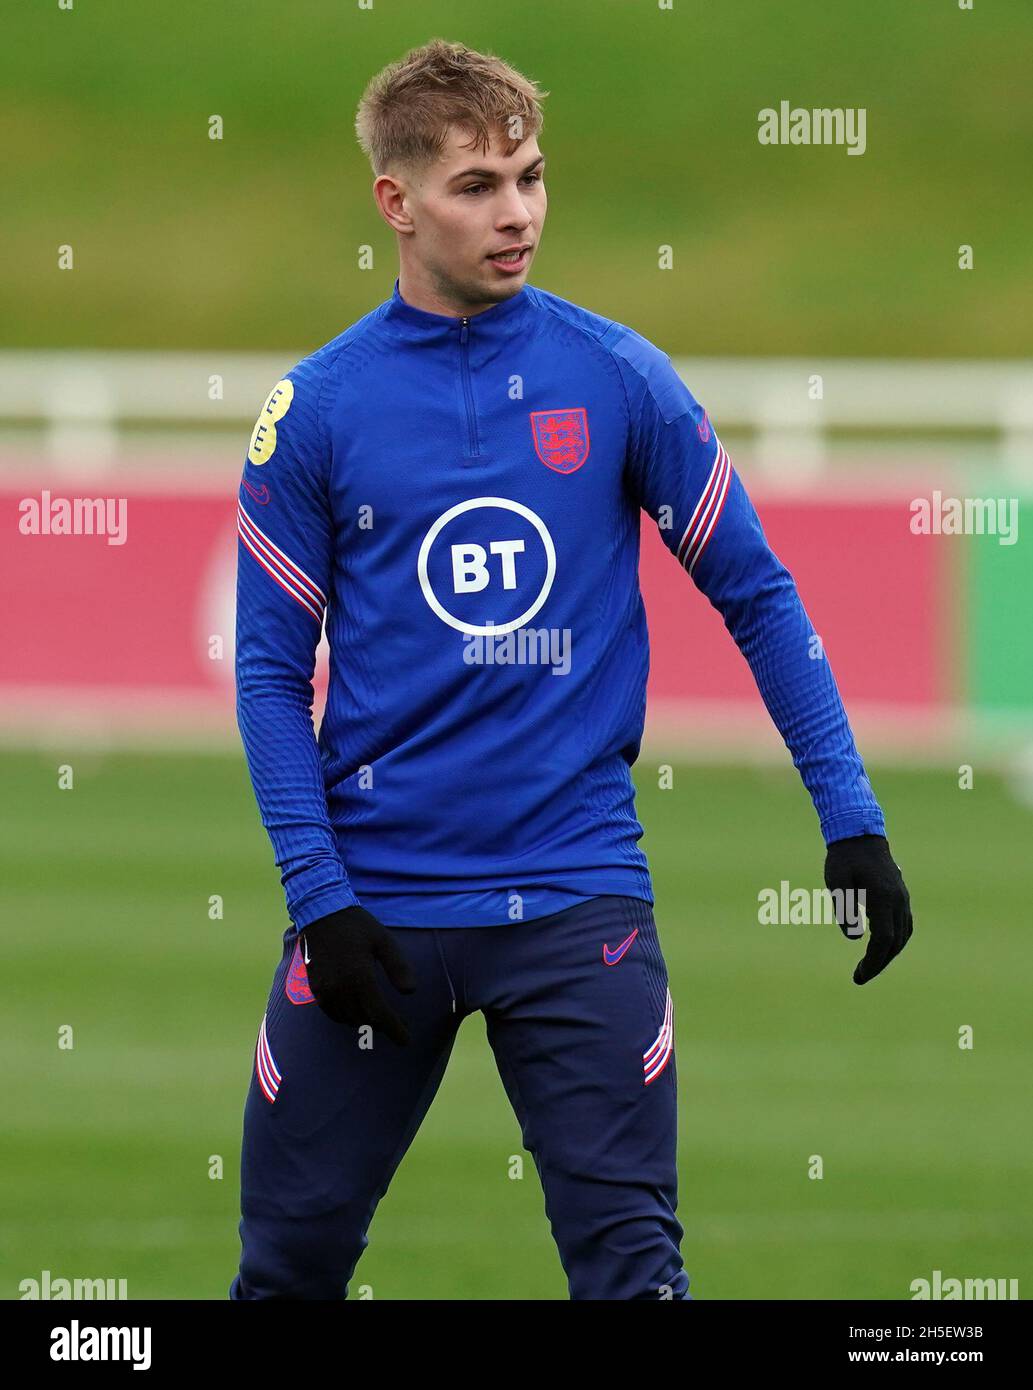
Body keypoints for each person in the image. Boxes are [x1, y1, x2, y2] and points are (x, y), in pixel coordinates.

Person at [229, 38, 912, 1301]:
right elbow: (270, 677)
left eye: (532, 177)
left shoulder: (615, 374)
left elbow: (756, 591)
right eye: (478, 187)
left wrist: (850, 815)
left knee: (633, 1278)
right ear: (395, 201)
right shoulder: (316, 409)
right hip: (375, 912)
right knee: (288, 1269)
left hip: (577, 906)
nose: (519, 214)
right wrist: (320, 897)